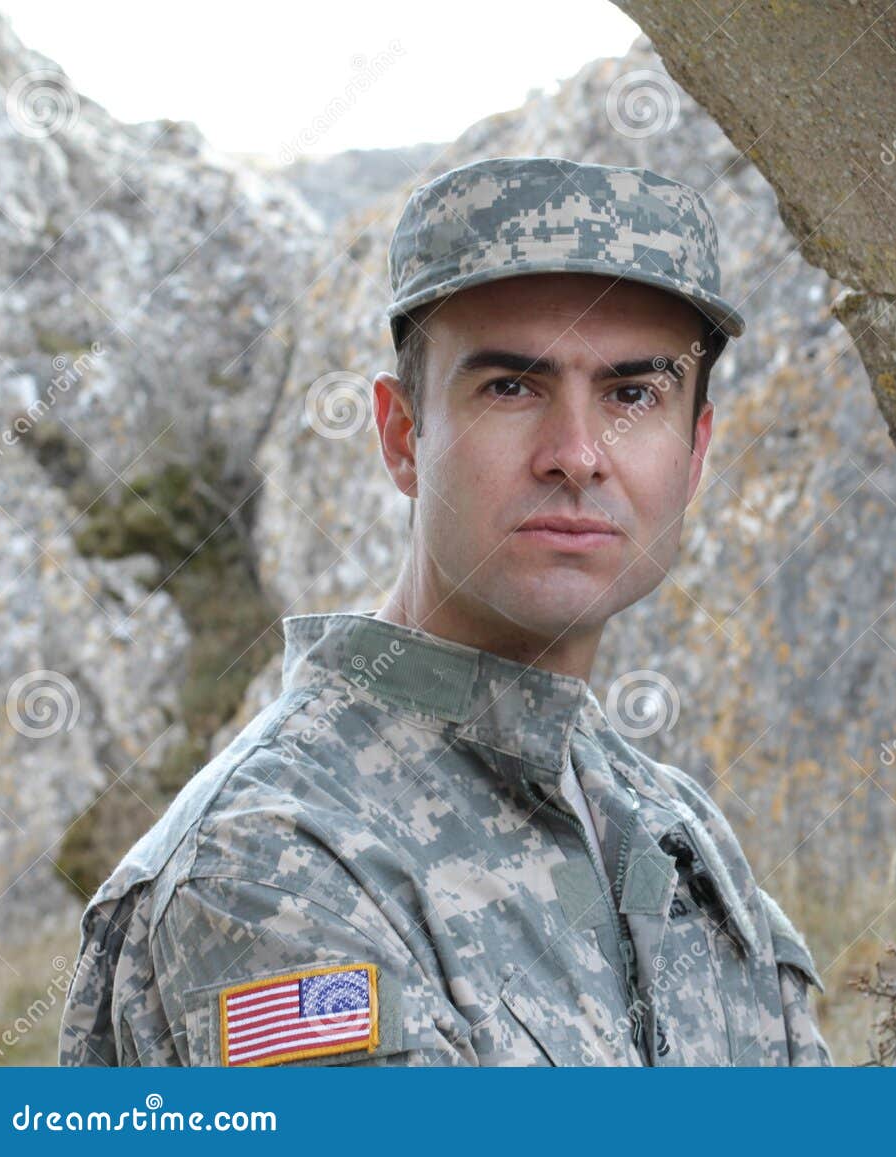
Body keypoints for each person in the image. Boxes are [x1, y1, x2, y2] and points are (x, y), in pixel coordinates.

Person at [58, 155, 832, 1067]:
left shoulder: (678, 831)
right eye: (511, 386)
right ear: (402, 437)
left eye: (633, 394)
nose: (577, 454)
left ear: (695, 454)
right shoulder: (275, 858)